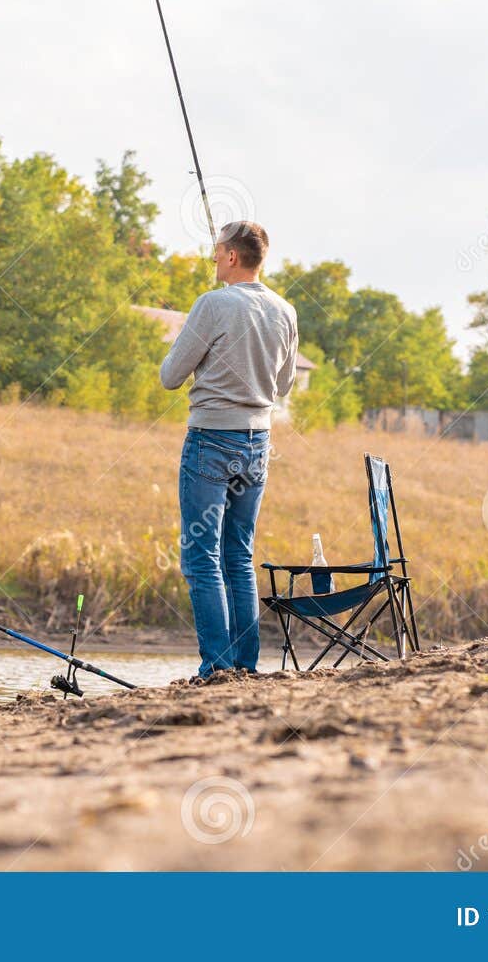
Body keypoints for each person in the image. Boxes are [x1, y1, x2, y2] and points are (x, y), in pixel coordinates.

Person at [159, 220, 300, 676]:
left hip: (211, 441)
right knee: (238, 555)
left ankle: (216, 668)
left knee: (202, 557)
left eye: (217, 252)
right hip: (258, 443)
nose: (214, 259)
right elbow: (283, 384)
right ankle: (244, 666)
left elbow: (170, 376)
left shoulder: (211, 305)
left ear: (233, 257)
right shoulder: (285, 311)